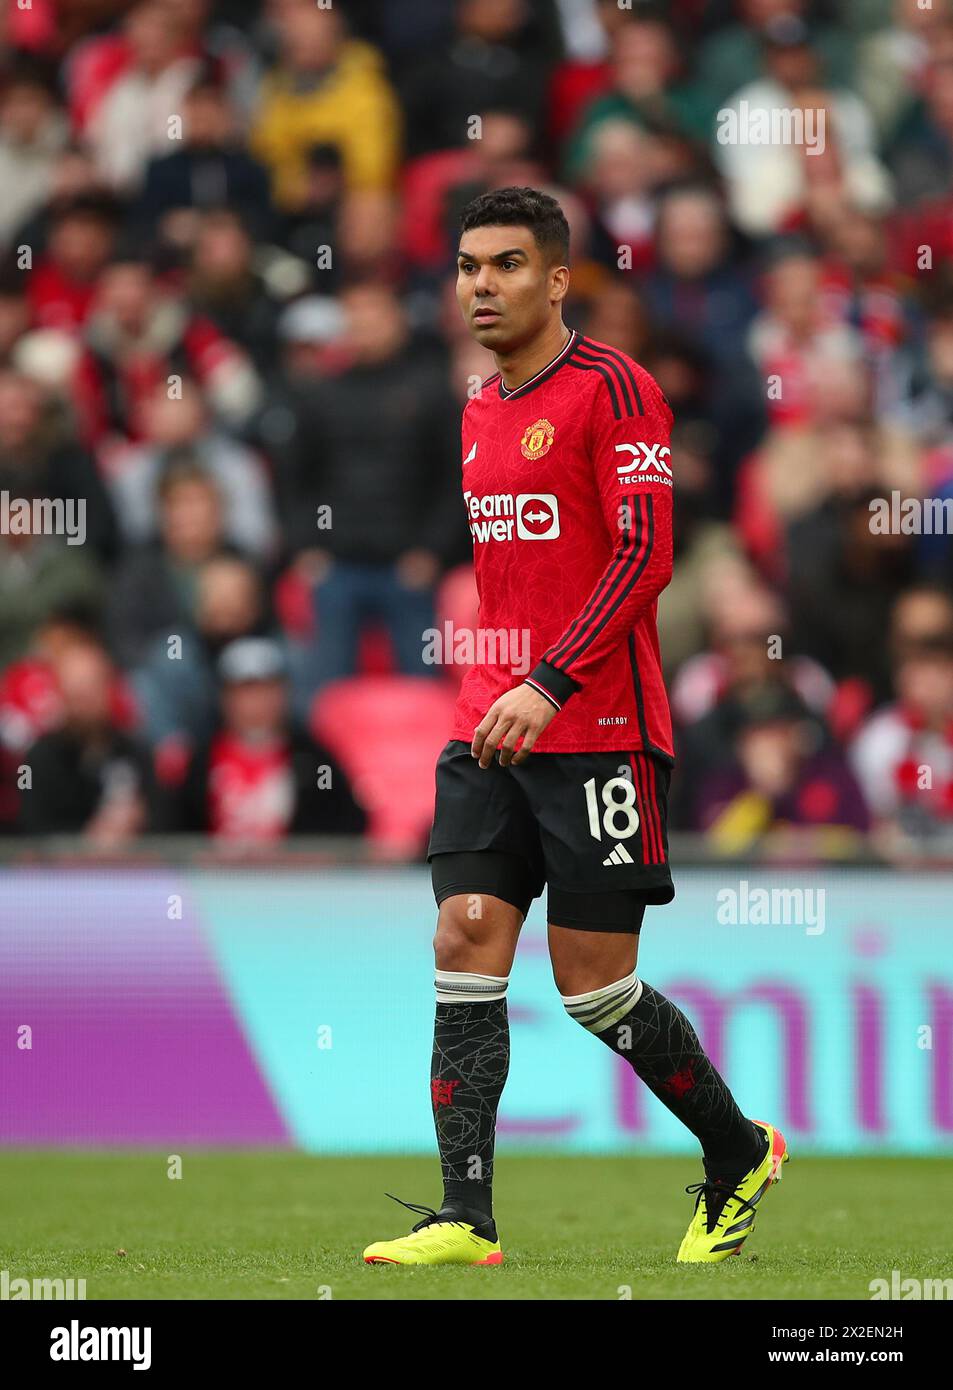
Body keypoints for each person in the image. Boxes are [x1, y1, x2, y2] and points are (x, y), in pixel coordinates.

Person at [362, 187, 788, 1270]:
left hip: (592, 723)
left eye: (505, 265)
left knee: (592, 984)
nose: (480, 286)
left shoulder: (615, 388)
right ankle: (465, 1216)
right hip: (488, 726)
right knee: (462, 941)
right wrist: (502, 686)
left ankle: (738, 1152)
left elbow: (643, 555)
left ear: (556, 279)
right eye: (465, 267)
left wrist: (547, 682)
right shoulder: (475, 407)